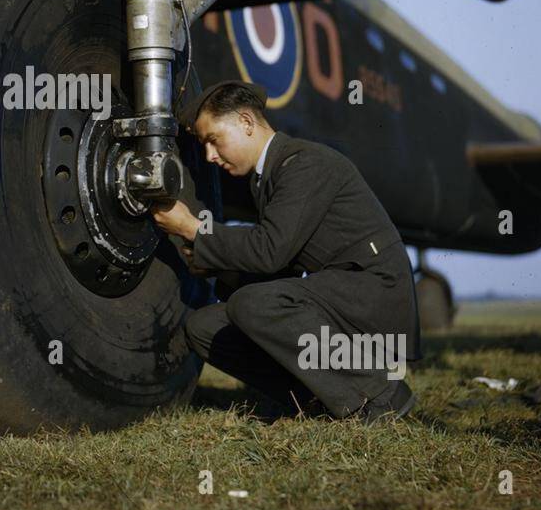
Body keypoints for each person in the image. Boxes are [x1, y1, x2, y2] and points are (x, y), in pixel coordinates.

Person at [152, 80, 421, 421]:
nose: (209, 156)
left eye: (213, 140)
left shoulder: (303, 163)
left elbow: (270, 251)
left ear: (246, 122)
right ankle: (317, 400)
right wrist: (217, 266)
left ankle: (382, 395)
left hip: (372, 300)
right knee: (205, 327)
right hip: (339, 298)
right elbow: (279, 272)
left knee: (252, 304)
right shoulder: (266, 177)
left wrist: (193, 228)